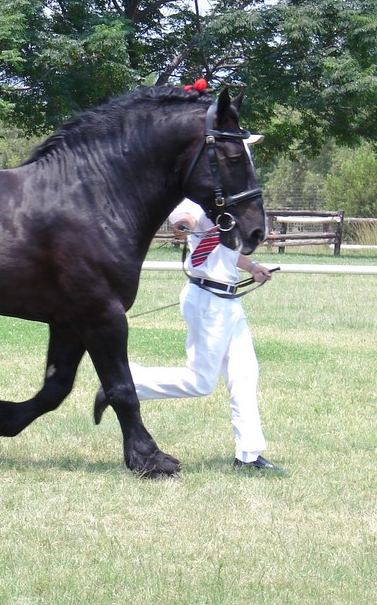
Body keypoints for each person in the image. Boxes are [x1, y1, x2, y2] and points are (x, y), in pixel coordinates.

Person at [96, 197, 280, 471]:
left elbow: (224, 249)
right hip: (207, 300)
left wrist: (252, 267)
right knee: (200, 383)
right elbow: (182, 222)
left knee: (245, 373)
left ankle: (248, 454)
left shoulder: (229, 204)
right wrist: (185, 225)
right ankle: (125, 384)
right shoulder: (199, 200)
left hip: (228, 301)